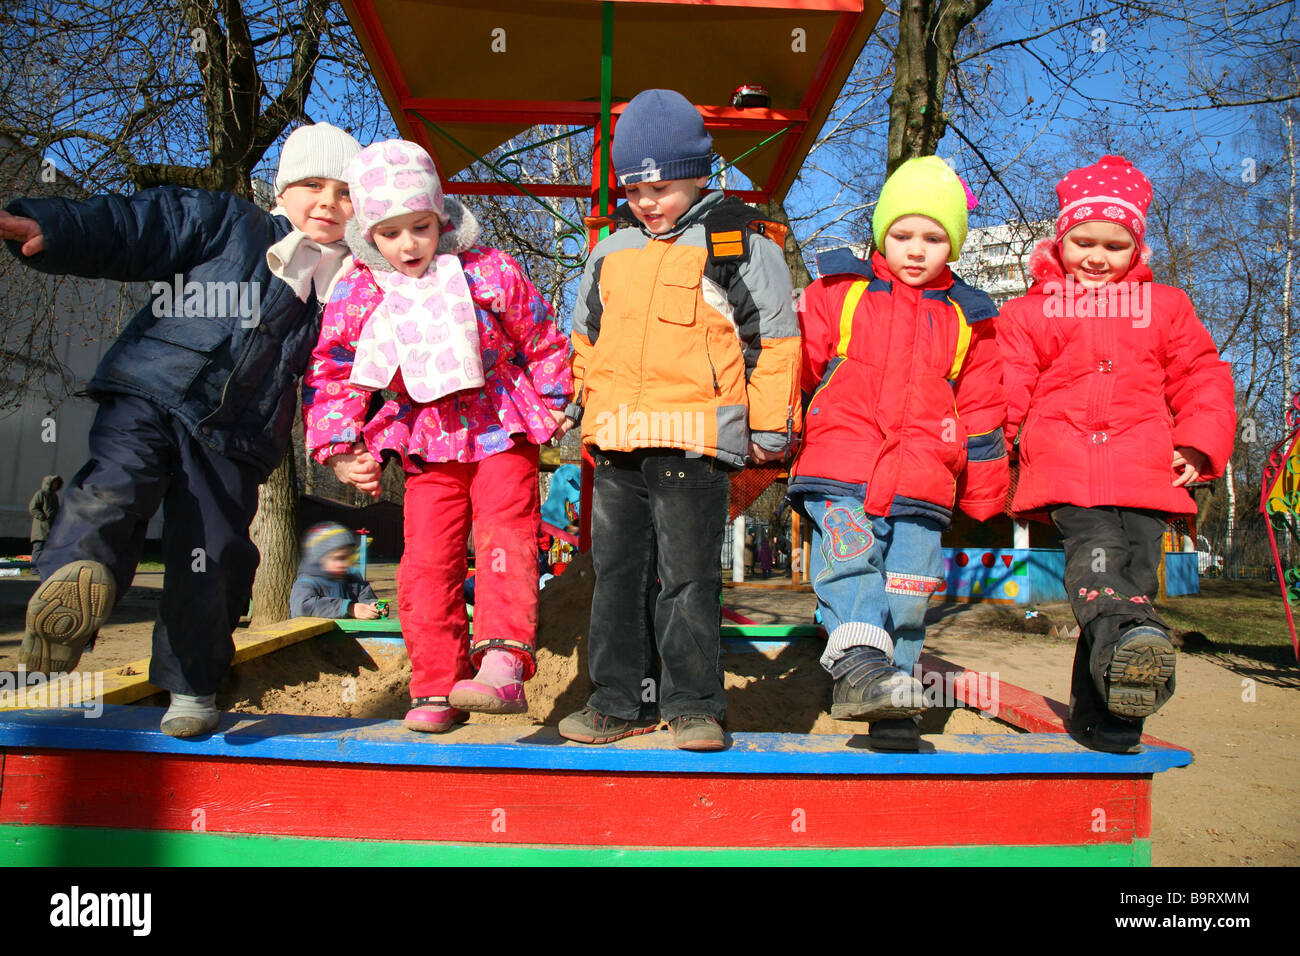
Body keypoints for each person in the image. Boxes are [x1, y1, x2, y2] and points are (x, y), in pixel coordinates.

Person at [1, 122, 361, 737]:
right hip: (153, 389)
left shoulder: (352, 287)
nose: (327, 201)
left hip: (237, 436)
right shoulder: (231, 223)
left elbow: (349, 373)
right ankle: (72, 587)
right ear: (281, 191)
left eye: (344, 192)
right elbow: (142, 225)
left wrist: (351, 441)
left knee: (212, 556)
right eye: (311, 184)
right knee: (114, 490)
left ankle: (193, 685)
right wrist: (58, 228)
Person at [558, 89, 802, 752]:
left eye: (661, 187)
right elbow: (585, 339)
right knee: (616, 577)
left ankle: (694, 702)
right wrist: (581, 408)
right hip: (618, 446)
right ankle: (617, 699)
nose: (646, 203)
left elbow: (774, 340)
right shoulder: (610, 252)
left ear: (699, 172)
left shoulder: (736, 243)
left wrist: (770, 429)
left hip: (695, 443)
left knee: (688, 579)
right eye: (634, 190)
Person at [304, 139, 573, 733]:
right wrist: (341, 446)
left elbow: (540, 333)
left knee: (504, 532)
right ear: (369, 233)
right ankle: (434, 682)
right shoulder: (362, 290)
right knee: (427, 560)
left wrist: (556, 400)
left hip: (501, 420)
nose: (408, 245)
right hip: (427, 434)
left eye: (420, 227)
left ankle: (502, 658)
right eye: (390, 232)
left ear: (441, 219)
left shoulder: (486, 269)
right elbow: (334, 367)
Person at [999, 155, 1236, 753]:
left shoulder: (1167, 308)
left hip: (1147, 469)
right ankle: (1125, 671)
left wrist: (1199, 443)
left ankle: (1107, 719)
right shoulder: (1034, 311)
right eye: (1084, 241)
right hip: (1068, 466)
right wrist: (992, 450)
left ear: (1137, 250)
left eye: (1114, 244)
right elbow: (1007, 380)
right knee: (1101, 561)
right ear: (1061, 240)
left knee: (1132, 588)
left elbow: (1201, 376)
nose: (1097, 257)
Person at [787, 156, 1009, 751]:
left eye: (934, 238)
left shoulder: (970, 316)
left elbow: (984, 407)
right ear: (881, 231)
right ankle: (860, 668)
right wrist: (771, 434)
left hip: (922, 481)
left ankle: (896, 704)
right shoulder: (839, 292)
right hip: (841, 468)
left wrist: (987, 491)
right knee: (853, 566)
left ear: (954, 245)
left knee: (909, 591)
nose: (916, 249)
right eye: (903, 233)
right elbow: (796, 366)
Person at [290, 522, 381, 619]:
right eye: (339, 558)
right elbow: (302, 606)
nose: (345, 563)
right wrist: (348, 608)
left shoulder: (353, 579)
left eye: (349, 558)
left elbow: (366, 597)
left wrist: (373, 606)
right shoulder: (307, 582)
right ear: (320, 559)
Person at [27, 475, 62, 574]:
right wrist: (43, 517)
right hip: (41, 528)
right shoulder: (41, 494)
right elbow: (32, 508)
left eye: (57, 484)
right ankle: (34, 569)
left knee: (47, 550)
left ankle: (43, 569)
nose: (55, 485)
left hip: (51, 528)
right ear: (49, 484)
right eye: (54, 483)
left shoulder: (54, 496)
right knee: (38, 548)